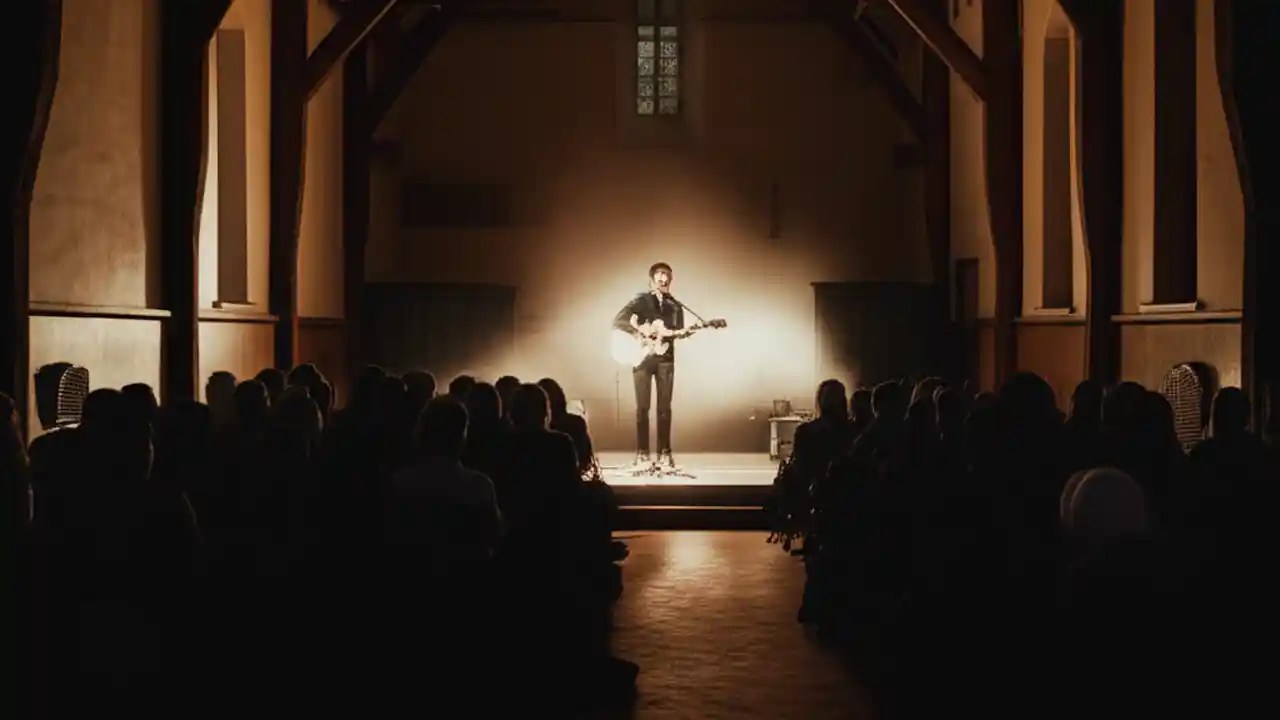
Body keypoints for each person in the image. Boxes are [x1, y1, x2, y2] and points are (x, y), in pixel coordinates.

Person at [612, 261, 688, 469]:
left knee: (664, 407)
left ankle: (665, 452)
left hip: (665, 358)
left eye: (667, 275)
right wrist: (640, 333)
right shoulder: (641, 300)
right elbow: (619, 321)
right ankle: (642, 452)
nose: (664, 278)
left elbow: (678, 331)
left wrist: (683, 333)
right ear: (652, 278)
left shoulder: (676, 306)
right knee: (642, 407)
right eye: (660, 274)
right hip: (642, 357)